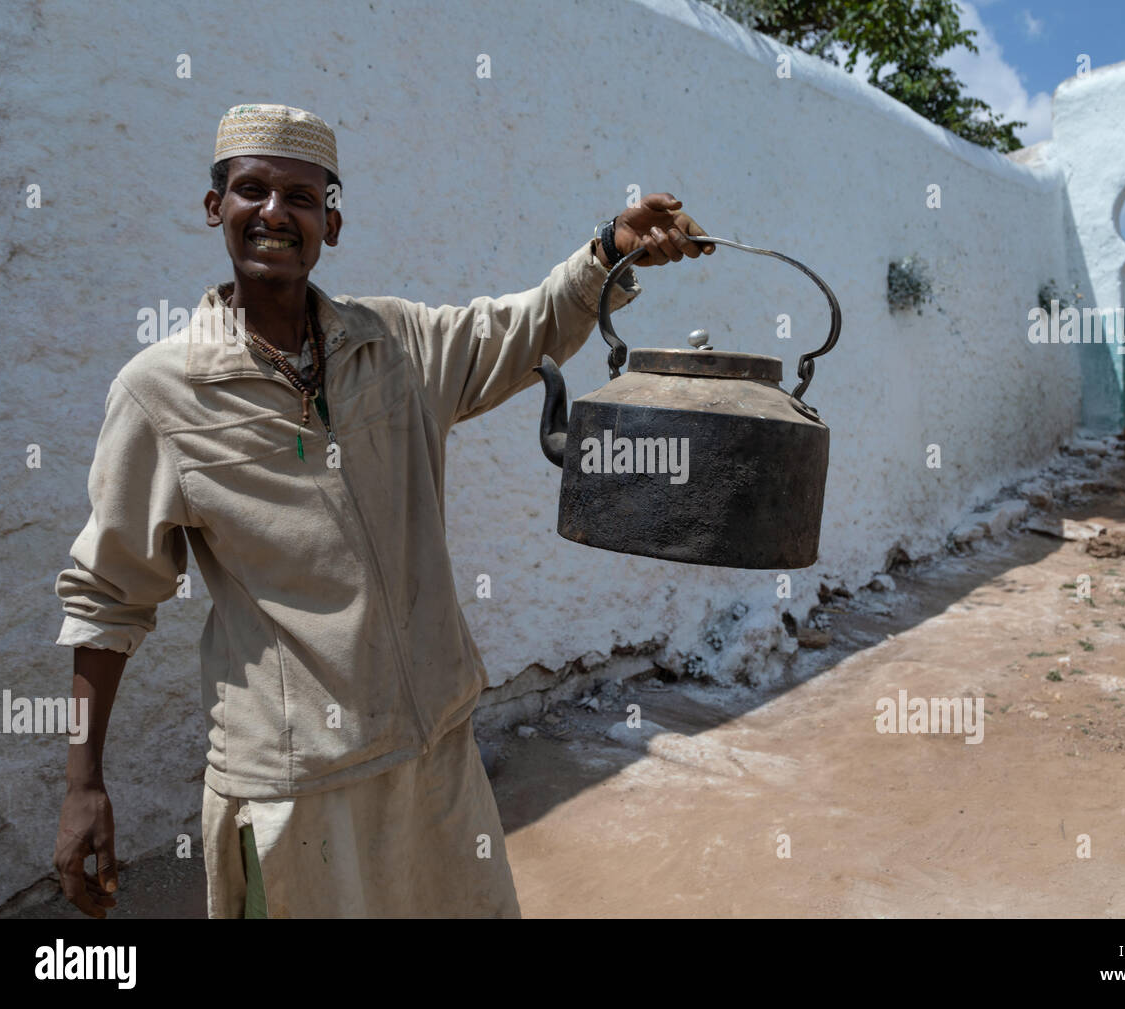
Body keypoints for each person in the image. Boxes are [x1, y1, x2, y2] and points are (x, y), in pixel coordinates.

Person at [51, 103, 713, 918]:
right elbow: (108, 597)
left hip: (437, 760)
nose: (272, 213)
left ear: (331, 219)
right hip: (298, 790)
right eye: (249, 190)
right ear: (212, 207)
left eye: (299, 197)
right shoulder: (162, 394)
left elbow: (528, 325)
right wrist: (84, 785)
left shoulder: (395, 346)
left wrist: (610, 248)